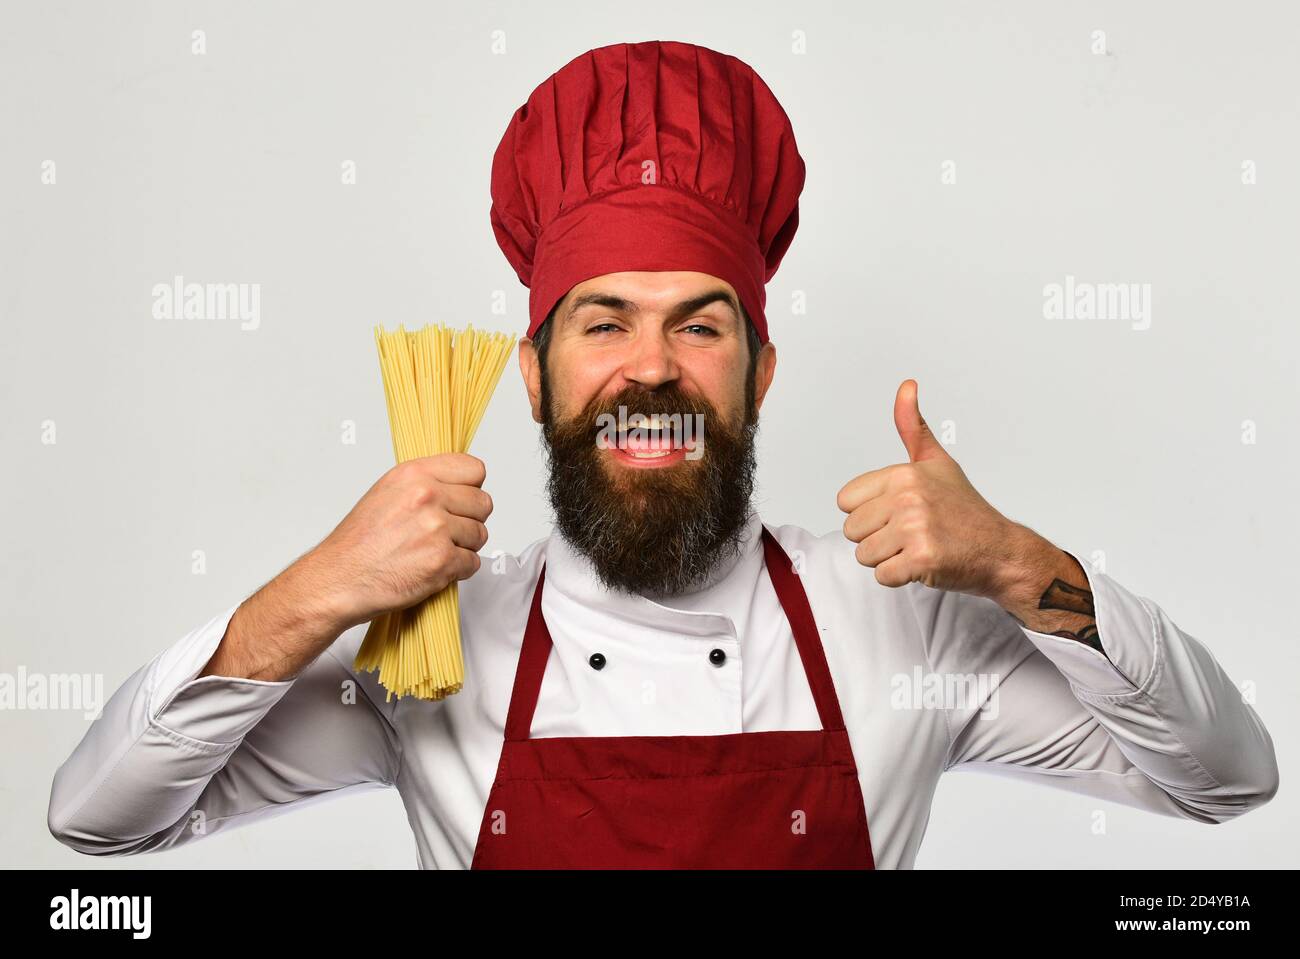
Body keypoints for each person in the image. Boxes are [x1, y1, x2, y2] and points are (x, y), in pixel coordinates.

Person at [48, 40, 1277, 869]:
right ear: (530, 375)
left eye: (699, 322)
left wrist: (1022, 569)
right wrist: (314, 591)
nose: (650, 367)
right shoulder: (427, 653)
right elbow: (96, 818)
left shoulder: (893, 627)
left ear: (761, 369)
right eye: (603, 321)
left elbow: (1225, 778)